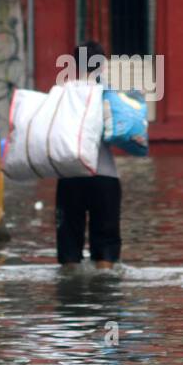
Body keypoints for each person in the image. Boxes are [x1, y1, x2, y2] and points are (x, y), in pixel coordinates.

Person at [56, 40, 121, 270]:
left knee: (68, 240)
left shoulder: (62, 93)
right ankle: (104, 286)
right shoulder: (110, 94)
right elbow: (123, 133)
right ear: (103, 65)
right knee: (106, 240)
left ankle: (70, 286)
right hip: (104, 176)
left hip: (70, 174)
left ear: (74, 64)